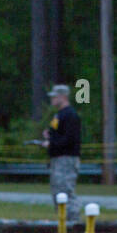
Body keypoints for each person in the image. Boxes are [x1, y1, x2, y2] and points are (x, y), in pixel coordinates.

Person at [39, 84, 81, 224]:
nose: (52, 99)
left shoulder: (70, 115)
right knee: (57, 191)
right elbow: (58, 133)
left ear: (63, 96)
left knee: (66, 190)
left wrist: (52, 143)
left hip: (66, 159)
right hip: (57, 159)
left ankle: (73, 221)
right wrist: (49, 135)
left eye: (54, 97)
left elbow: (69, 139)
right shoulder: (59, 115)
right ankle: (63, 221)